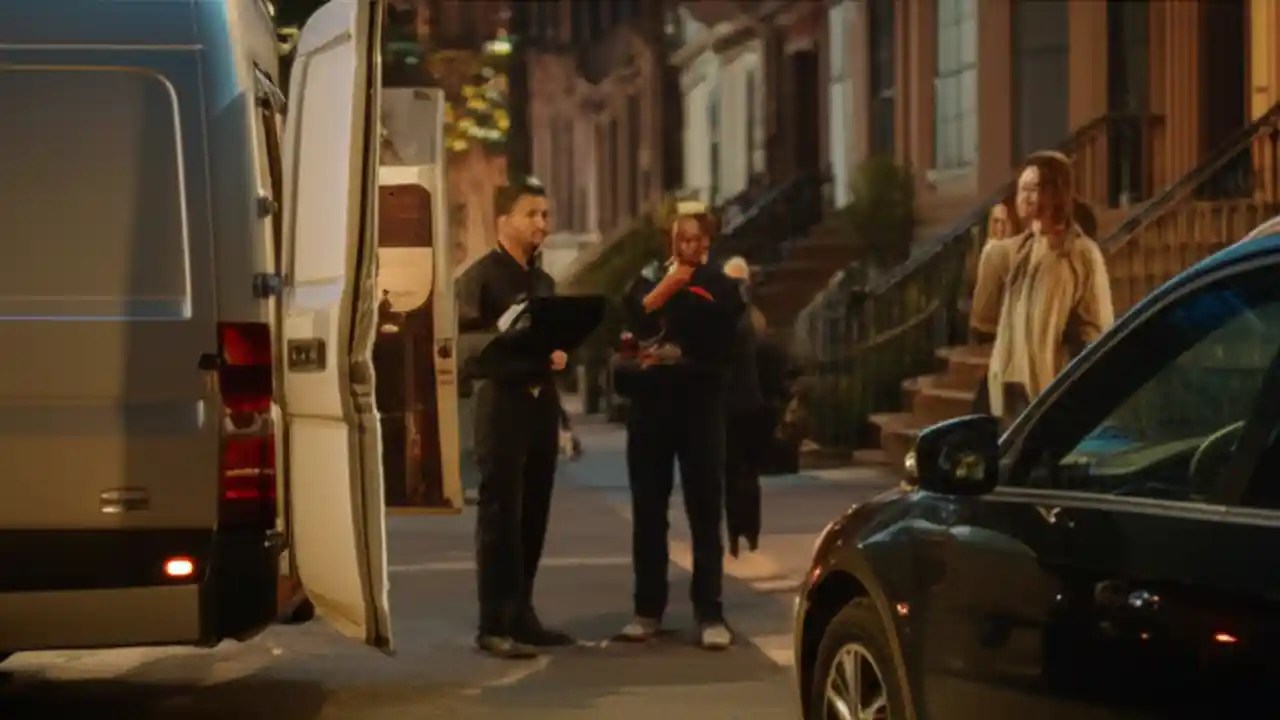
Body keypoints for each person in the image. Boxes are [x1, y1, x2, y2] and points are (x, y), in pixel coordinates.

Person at [613, 204, 745, 650]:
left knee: (705, 512)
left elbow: (725, 351)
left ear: (708, 242)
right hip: (650, 410)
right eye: (680, 238)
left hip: (699, 409)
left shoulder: (721, 288)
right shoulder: (648, 281)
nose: (688, 245)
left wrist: (682, 359)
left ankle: (710, 612)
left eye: (696, 238)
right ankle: (647, 609)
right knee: (648, 512)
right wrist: (664, 290)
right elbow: (631, 325)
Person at [456, 177, 574, 659]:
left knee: (535, 509)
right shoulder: (479, 278)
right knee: (500, 512)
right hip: (500, 404)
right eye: (532, 214)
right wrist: (512, 348)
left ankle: (523, 613)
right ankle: (493, 622)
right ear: (503, 221)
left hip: (539, 405)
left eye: (546, 215)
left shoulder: (544, 282)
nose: (542, 224)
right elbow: (466, 348)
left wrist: (561, 352)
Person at [986, 151, 1115, 425]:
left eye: (1033, 189)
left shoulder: (1081, 253)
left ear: (1055, 192)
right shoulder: (1023, 249)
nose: (1024, 197)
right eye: (1021, 189)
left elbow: (1096, 331)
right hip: (1009, 389)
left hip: (1049, 396)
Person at [721, 256, 765, 557]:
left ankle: (738, 530)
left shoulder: (726, 318)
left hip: (730, 404)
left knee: (731, 470)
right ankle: (749, 530)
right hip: (750, 402)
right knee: (748, 471)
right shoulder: (755, 318)